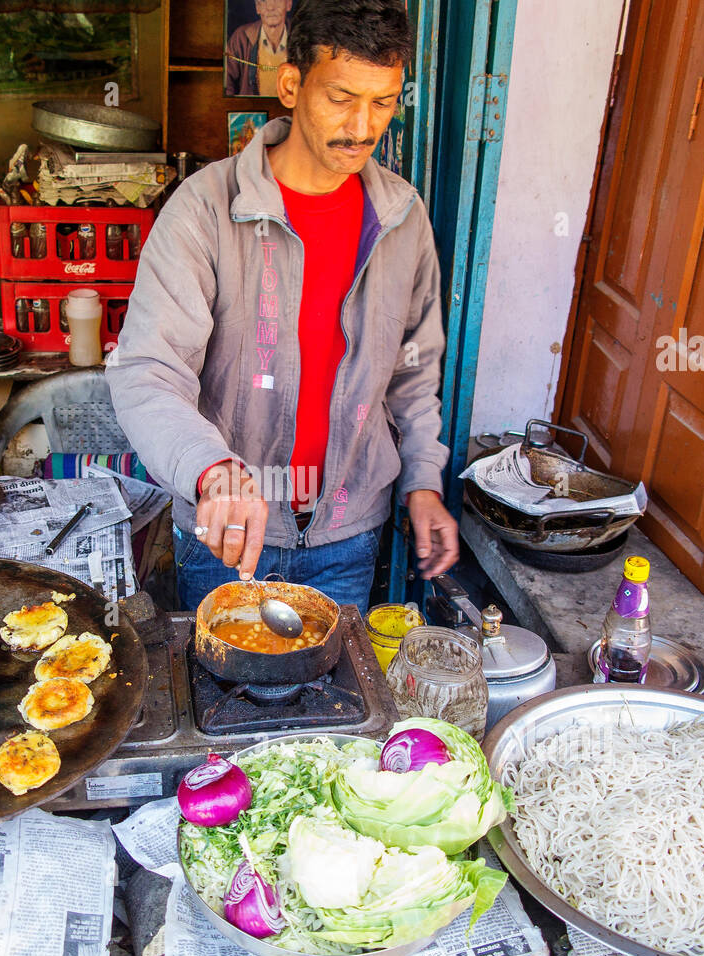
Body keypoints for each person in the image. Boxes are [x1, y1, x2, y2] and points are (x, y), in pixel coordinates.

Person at [107, 0, 459, 615]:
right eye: (341, 97)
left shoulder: (402, 218)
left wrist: (424, 481)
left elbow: (413, 372)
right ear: (292, 85)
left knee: (332, 700)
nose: (362, 125)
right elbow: (149, 371)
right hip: (228, 533)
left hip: (348, 533)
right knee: (223, 698)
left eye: (383, 102)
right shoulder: (207, 208)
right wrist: (211, 471)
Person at [225, 0, 293, 96]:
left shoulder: (301, 37)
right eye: (264, 1)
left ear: (288, 4)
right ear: (257, 7)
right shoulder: (240, 38)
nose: (270, 7)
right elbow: (226, 84)